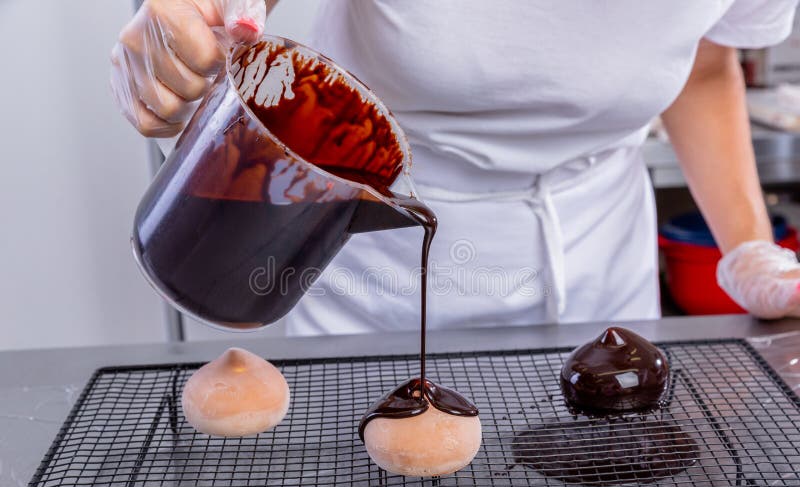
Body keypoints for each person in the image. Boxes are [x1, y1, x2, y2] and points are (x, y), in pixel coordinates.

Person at [112, 0, 800, 336]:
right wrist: (184, 22)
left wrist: (748, 250)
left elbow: (707, 69)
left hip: (599, 260)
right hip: (375, 255)